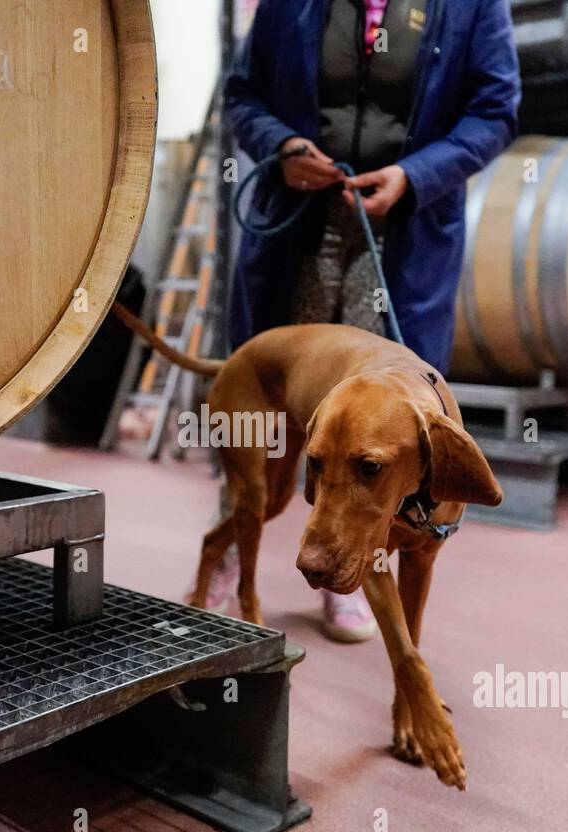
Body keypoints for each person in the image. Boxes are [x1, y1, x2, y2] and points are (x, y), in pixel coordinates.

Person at [203, 0, 521, 642]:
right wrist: (282, 146)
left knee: (379, 435)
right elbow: (242, 94)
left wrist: (414, 175)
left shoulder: (474, 6)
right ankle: (239, 537)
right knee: (271, 429)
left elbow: (494, 111)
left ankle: (359, 566)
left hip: (401, 230)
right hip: (298, 226)